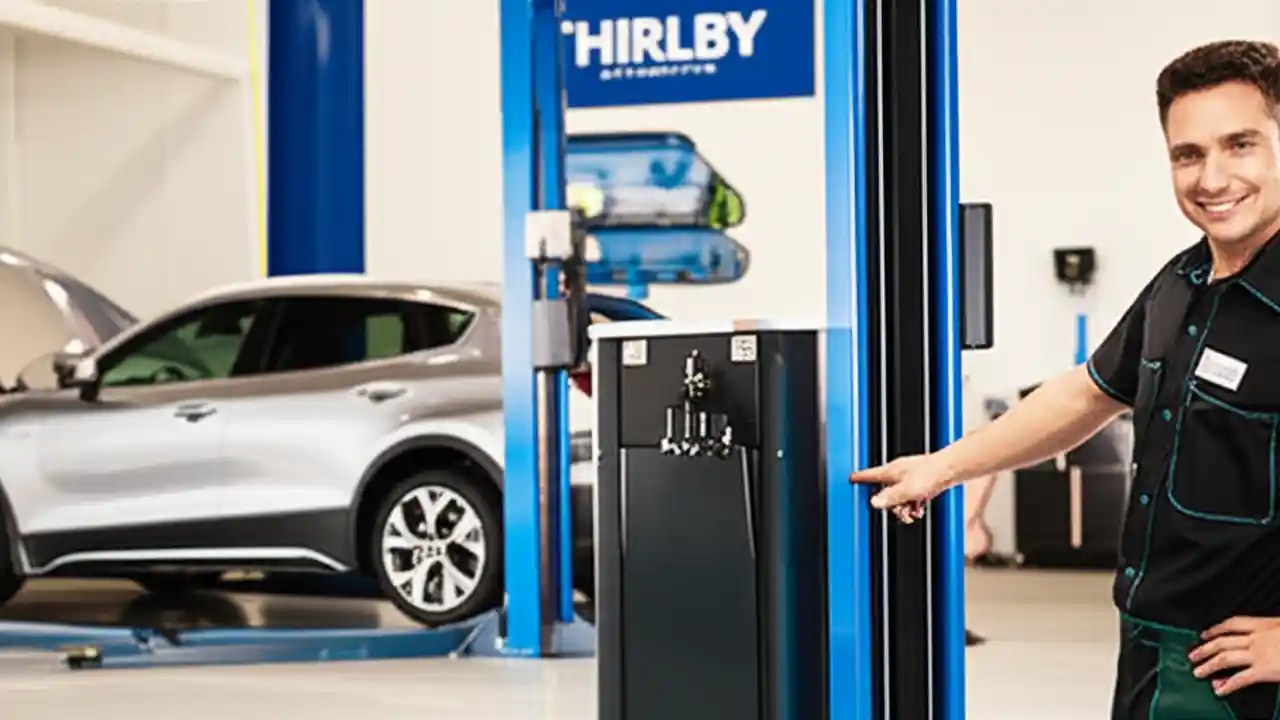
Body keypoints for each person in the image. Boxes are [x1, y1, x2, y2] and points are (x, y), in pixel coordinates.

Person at [849, 40, 1280, 719]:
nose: (1212, 177)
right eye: (1187, 154)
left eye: (1241, 145)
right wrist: (943, 468)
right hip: (1150, 650)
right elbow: (1086, 393)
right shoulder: (1179, 285)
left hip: (1250, 679)